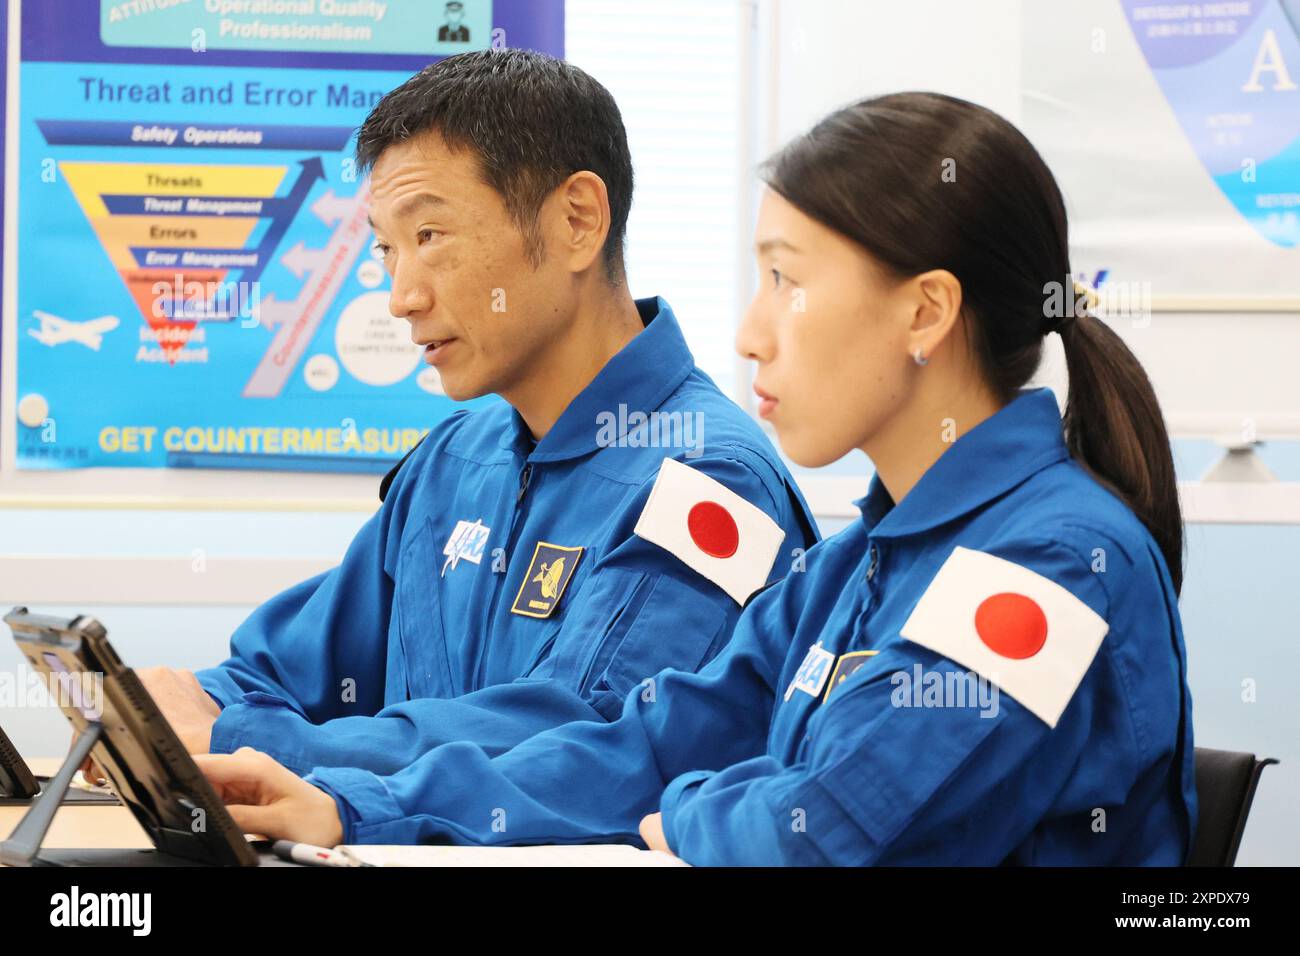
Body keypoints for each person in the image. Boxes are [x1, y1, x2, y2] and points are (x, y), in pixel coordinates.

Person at [195, 92, 1197, 865]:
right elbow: (646, 740)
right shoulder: (857, 565)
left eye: (787, 282)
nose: (750, 334)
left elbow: (824, 826)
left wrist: (686, 809)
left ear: (926, 312)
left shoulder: (1056, 563)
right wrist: (356, 807)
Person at [128, 50, 816, 781]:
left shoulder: (710, 479)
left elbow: (582, 744)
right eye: (387, 250)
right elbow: (290, 670)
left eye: (430, 238)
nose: (402, 296)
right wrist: (163, 717)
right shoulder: (456, 460)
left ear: (576, 221)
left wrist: (248, 741)